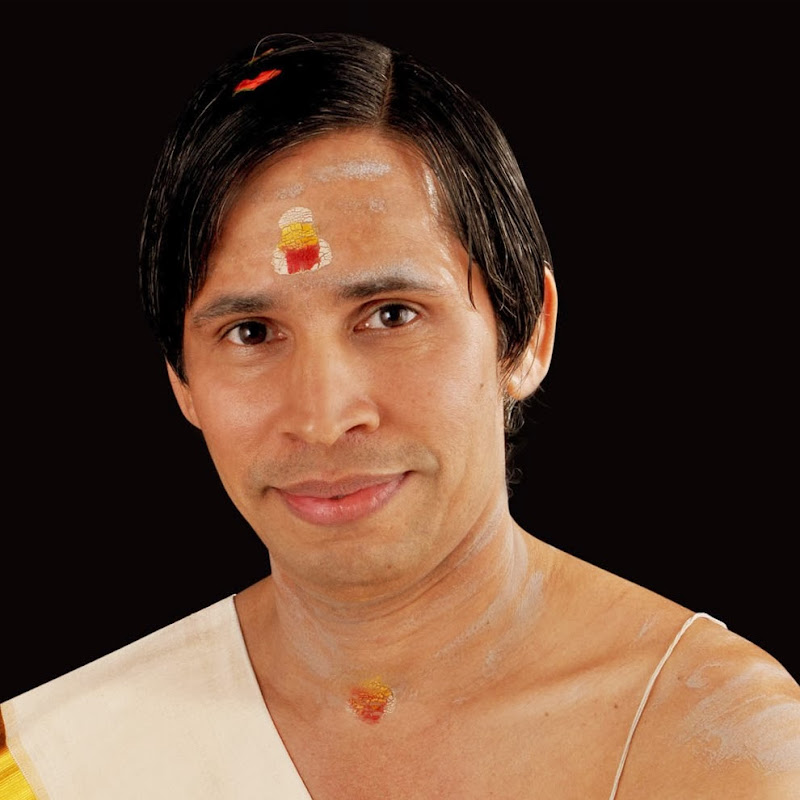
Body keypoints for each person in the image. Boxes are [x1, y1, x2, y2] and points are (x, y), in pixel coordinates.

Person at [1, 30, 798, 800]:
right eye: (251, 332)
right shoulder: (53, 761)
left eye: (390, 315)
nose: (322, 418)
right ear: (181, 379)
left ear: (527, 333)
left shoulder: (716, 741)